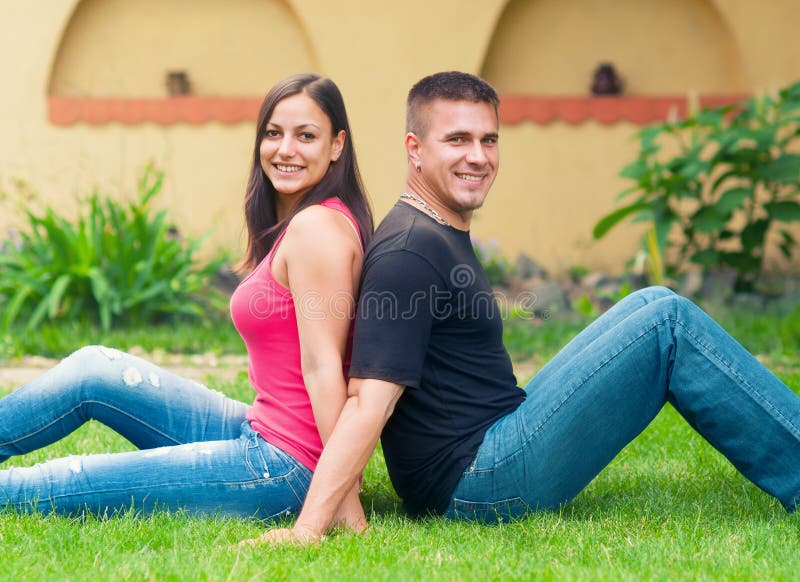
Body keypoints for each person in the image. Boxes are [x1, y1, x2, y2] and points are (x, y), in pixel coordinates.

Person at [252, 71, 800, 544]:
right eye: (458, 139)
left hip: (496, 438)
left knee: (653, 303)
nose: (478, 156)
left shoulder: (436, 228)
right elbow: (367, 402)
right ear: (414, 149)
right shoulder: (408, 252)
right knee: (667, 323)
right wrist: (314, 525)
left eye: (489, 140)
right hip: (476, 478)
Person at [0, 73, 372, 530]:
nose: (285, 149)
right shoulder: (307, 221)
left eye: (306, 136)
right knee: (92, 368)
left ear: (337, 145)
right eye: (273, 133)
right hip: (259, 429)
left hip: (284, 468)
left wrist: (342, 500)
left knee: (49, 484)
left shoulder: (317, 229)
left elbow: (324, 369)